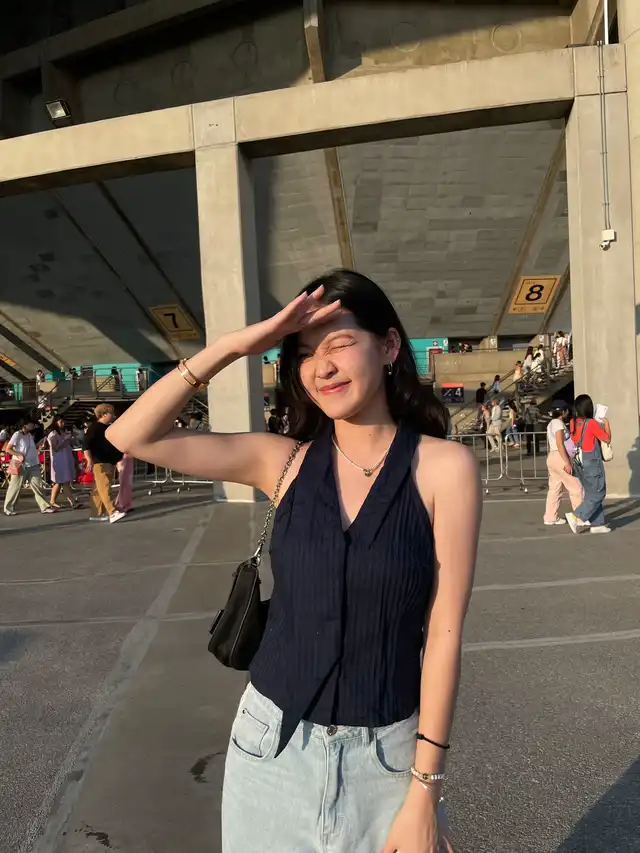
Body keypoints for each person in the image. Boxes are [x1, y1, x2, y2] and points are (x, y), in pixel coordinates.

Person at [106, 268, 481, 853]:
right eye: (305, 354)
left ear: (388, 346)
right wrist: (235, 346)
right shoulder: (281, 462)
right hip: (270, 749)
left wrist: (424, 792)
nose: (321, 367)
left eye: (339, 344)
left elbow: (444, 633)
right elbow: (133, 436)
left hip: (386, 761)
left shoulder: (443, 469)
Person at [566, 394, 612, 534]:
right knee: (599, 493)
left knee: (591, 493)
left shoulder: (573, 422)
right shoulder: (591, 423)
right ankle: (576, 515)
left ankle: (597, 524)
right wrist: (606, 424)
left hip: (579, 462)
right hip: (591, 462)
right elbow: (607, 439)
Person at [83, 404, 126, 523]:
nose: (114, 415)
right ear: (104, 414)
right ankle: (112, 512)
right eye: (112, 413)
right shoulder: (94, 428)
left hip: (108, 461)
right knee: (105, 488)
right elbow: (86, 445)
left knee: (98, 489)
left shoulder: (107, 427)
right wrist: (89, 460)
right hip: (100, 462)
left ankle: (97, 513)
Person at [3, 418, 55, 516]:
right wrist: (18, 454)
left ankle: (44, 506)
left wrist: (39, 445)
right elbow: (8, 449)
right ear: (24, 425)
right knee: (15, 488)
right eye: (31, 424)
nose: (33, 426)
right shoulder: (17, 434)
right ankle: (8, 508)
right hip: (20, 465)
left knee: (38, 486)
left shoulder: (30, 435)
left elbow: (32, 448)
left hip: (33, 464)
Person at [543, 401, 583, 526]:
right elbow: (560, 443)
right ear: (563, 411)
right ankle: (580, 517)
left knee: (555, 489)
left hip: (552, 456)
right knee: (576, 487)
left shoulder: (550, 423)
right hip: (560, 456)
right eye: (566, 410)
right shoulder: (559, 423)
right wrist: (567, 462)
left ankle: (550, 517)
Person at [47, 416, 79, 509]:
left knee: (59, 482)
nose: (63, 424)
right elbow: (55, 448)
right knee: (64, 482)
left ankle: (52, 501)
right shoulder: (53, 434)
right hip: (59, 460)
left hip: (66, 458)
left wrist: (72, 438)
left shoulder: (63, 432)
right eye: (61, 422)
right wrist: (65, 440)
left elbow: (72, 443)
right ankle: (72, 502)